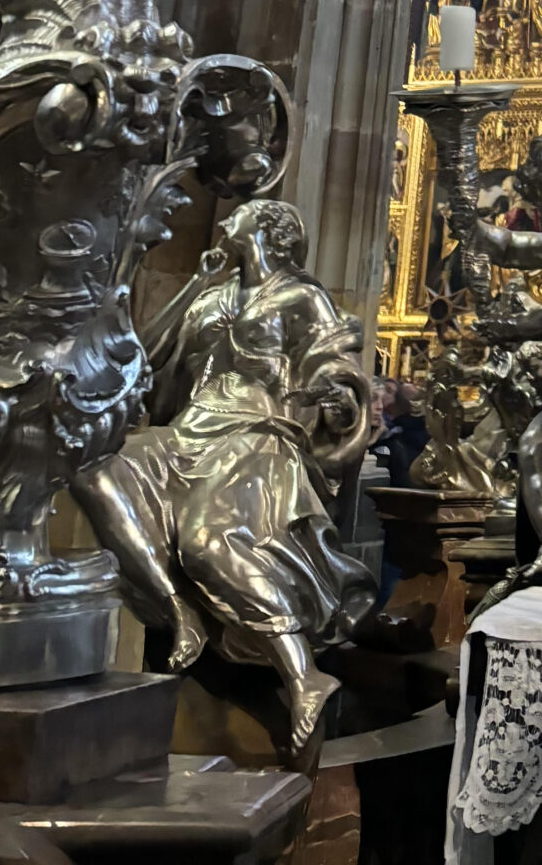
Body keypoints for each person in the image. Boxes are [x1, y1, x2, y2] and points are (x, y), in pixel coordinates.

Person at [72, 198, 375, 751]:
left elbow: (336, 364)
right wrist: (193, 286)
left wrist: (334, 400)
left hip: (256, 435)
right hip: (188, 431)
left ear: (270, 232)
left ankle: (303, 673)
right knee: (95, 468)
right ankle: (176, 608)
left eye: (245, 212)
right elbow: (151, 359)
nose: (228, 215)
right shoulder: (210, 295)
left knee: (208, 542)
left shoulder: (299, 294)